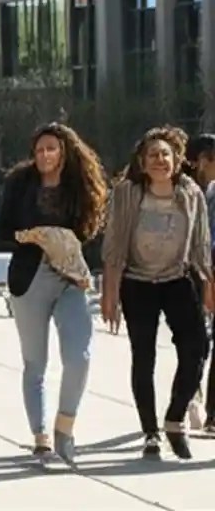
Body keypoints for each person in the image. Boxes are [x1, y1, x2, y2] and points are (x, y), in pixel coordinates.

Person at [0, 123, 107, 467]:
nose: (44, 155)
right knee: (35, 362)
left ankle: (65, 426)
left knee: (79, 356)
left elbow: (91, 232)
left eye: (51, 149)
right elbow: (1, 230)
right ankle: (41, 437)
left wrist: (67, 245)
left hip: (70, 278)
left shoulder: (80, 185)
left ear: (64, 152)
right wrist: (30, 235)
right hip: (30, 277)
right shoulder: (20, 182)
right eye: (40, 149)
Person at [101, 126, 214, 459]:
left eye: (165, 154)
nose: (159, 160)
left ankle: (175, 418)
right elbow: (114, 246)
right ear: (142, 161)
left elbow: (201, 244)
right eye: (153, 155)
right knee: (144, 355)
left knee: (197, 347)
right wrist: (110, 293)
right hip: (137, 283)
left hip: (177, 278)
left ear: (176, 159)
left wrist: (209, 284)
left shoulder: (190, 192)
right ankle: (151, 432)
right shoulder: (127, 193)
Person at [184, 133, 215, 433]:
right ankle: (193, 398)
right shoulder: (188, 190)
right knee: (196, 340)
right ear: (203, 160)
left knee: (199, 341)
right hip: (191, 274)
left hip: (202, 271)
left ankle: (196, 399)